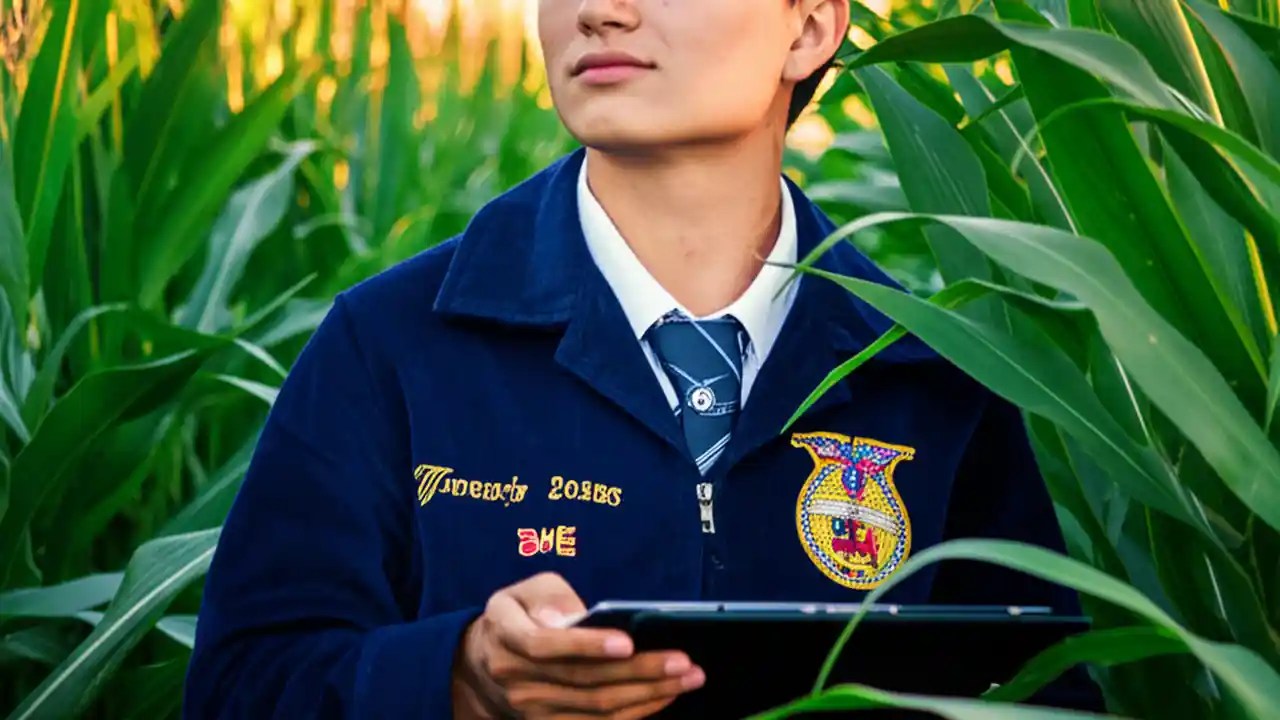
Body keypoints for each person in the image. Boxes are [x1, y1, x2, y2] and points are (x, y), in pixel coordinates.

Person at [183, 1, 1083, 718]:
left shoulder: (930, 375)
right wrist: (455, 679)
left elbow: (1045, 688)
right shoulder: (390, 346)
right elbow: (240, 687)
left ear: (807, 27)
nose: (598, 12)